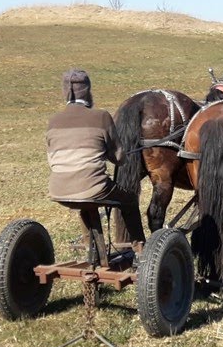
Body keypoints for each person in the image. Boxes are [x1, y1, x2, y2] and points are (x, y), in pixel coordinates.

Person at [44, 69, 146, 246]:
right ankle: (141, 249)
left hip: (58, 189)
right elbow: (119, 157)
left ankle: (92, 249)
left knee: (84, 200)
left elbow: (51, 157)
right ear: (88, 91)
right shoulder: (101, 117)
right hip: (94, 188)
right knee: (128, 200)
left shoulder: (53, 121)